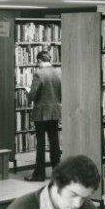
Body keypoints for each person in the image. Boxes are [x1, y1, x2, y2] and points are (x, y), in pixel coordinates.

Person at [25, 50, 62, 182]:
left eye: (37, 62)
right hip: (55, 112)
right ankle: (57, 173)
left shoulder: (38, 74)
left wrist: (27, 92)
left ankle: (39, 174)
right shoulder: (58, 72)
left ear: (40, 60)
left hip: (41, 113)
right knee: (54, 143)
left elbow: (33, 95)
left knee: (40, 144)